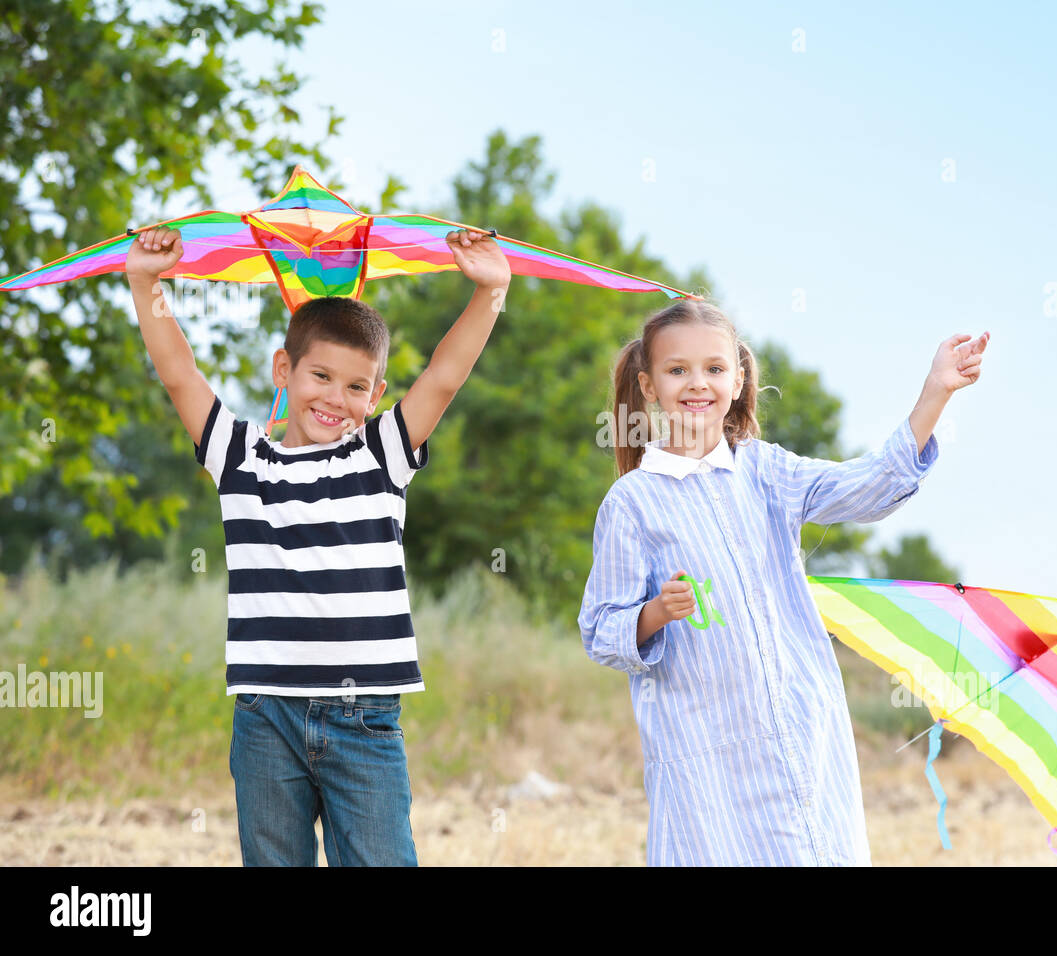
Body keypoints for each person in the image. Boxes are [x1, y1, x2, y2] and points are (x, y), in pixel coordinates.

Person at [125, 224, 510, 865]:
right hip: (266, 716)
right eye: (321, 377)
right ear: (285, 369)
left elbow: (444, 376)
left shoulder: (382, 456)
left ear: (377, 394)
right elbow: (179, 374)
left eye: (357, 387)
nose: (335, 398)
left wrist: (489, 292)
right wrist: (146, 282)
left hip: (364, 719)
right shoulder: (240, 458)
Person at [577, 298, 988, 865]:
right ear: (648, 385)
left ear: (739, 378)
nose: (698, 384)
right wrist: (655, 613)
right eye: (678, 370)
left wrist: (934, 393)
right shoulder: (632, 503)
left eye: (715, 369)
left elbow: (866, 487)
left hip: (803, 730)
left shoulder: (767, 471)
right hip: (704, 754)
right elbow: (602, 630)